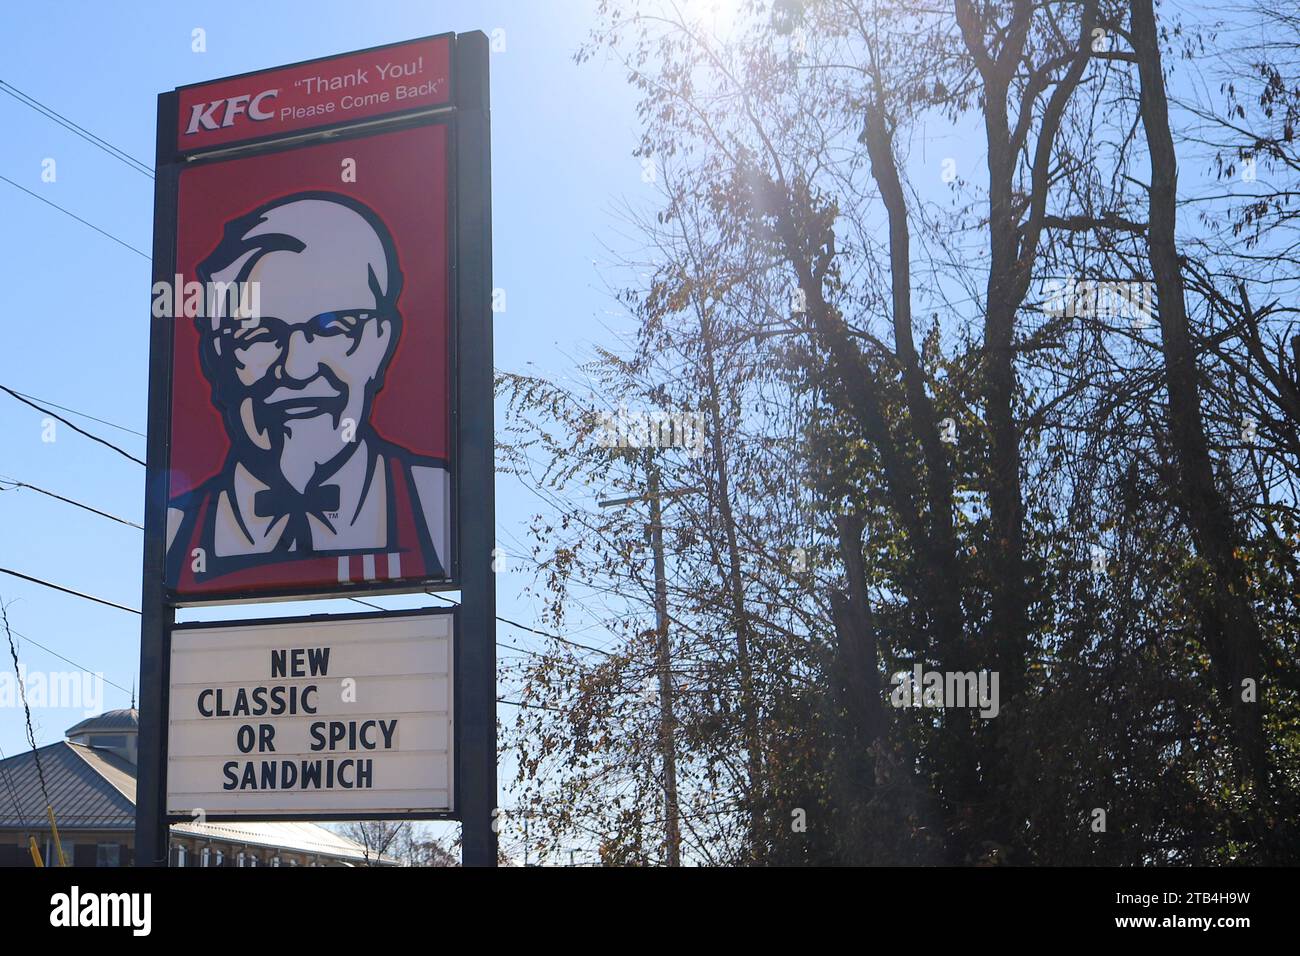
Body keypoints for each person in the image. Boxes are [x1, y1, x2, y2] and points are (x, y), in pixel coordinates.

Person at [165, 192, 449, 591]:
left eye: (333, 329)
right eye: (260, 334)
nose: (297, 368)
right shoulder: (172, 534)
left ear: (381, 341)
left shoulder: (441, 508)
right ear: (217, 353)